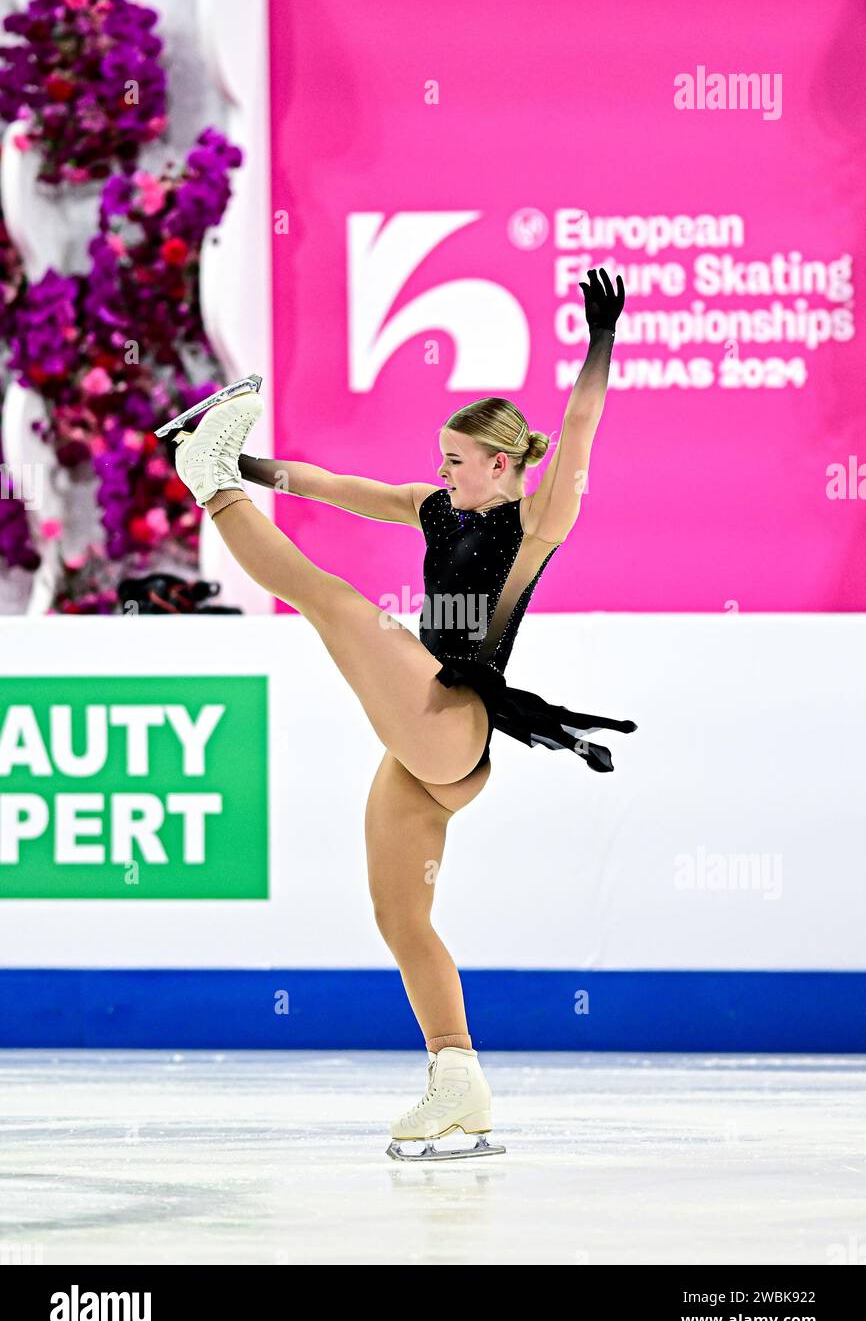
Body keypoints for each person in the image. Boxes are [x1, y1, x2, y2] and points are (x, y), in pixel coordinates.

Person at [156, 266, 635, 1159]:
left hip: (456, 717)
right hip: (424, 756)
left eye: (456, 460)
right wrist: (258, 466)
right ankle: (460, 1081)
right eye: (438, 459)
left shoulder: (537, 521)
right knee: (401, 918)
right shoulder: (429, 507)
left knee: (335, 603)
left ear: (501, 464)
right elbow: (331, 484)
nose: (440, 471)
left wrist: (600, 340)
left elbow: (578, 429)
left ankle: (206, 483)